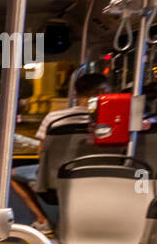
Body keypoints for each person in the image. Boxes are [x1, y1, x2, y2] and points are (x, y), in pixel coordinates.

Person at [10, 71, 107, 230]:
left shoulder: (54, 119)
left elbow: (42, 151)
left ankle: (43, 220)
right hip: (101, 176)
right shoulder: (111, 120)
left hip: (57, 178)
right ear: (104, 93)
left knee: (13, 174)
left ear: (75, 94)